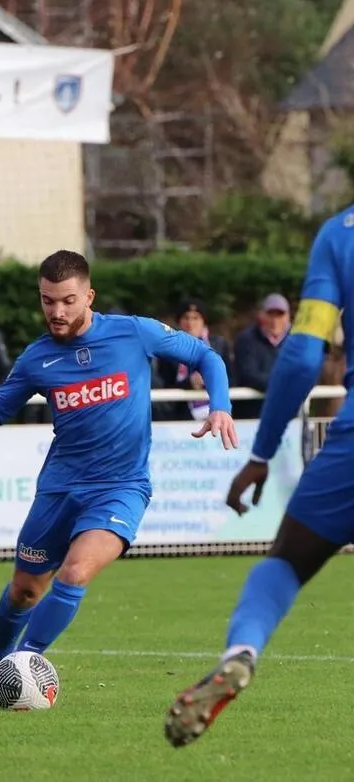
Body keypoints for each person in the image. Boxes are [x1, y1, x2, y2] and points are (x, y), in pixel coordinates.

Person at [0, 250, 238, 697]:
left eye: (68, 301)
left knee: (74, 573)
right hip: (59, 489)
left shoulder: (134, 332)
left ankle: (22, 666)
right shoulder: (38, 358)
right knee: (23, 592)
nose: (57, 312)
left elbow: (205, 356)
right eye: (47, 301)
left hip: (121, 487)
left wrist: (221, 407)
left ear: (89, 296)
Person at [164, 207, 354, 748]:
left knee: (286, 563)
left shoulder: (339, 236)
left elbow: (301, 356)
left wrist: (261, 452)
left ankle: (241, 653)